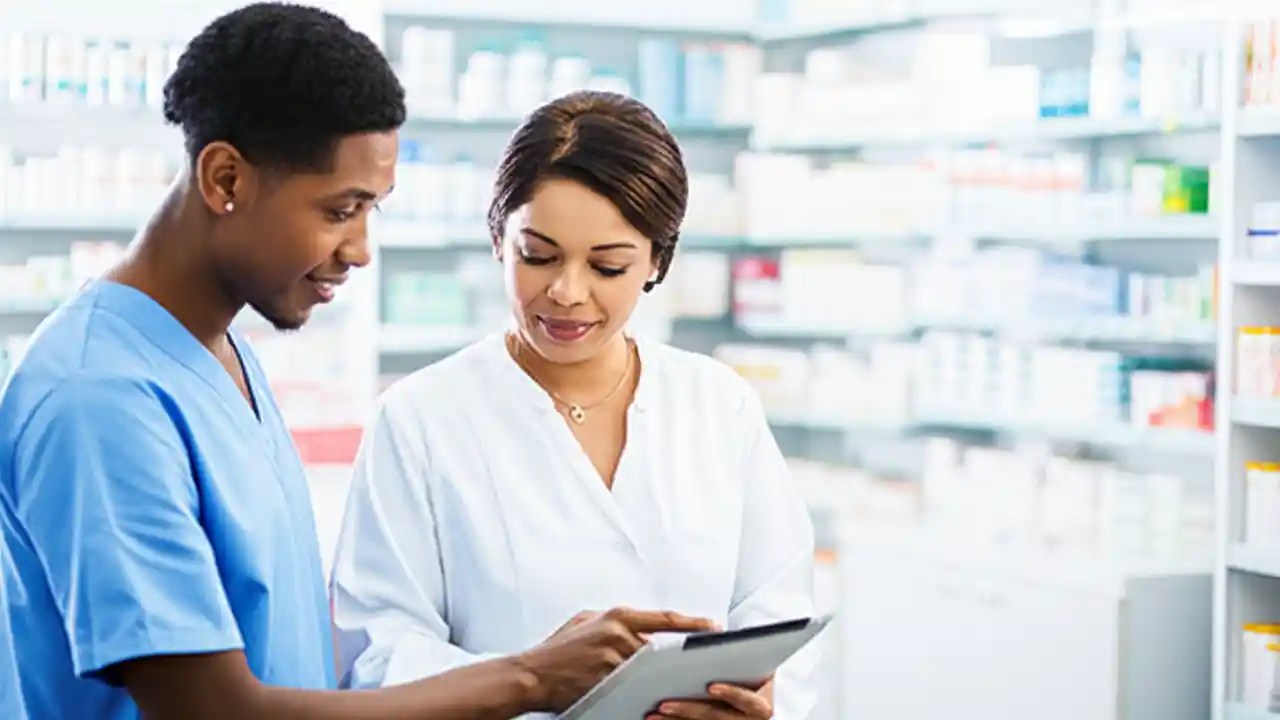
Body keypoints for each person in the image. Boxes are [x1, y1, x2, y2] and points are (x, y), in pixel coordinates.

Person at [0, 6, 714, 720]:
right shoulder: (101, 397)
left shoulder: (224, 357)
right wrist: (530, 679)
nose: (361, 248)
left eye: (374, 209)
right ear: (225, 180)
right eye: (341, 209)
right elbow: (215, 712)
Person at [329, 90, 820, 720]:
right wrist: (531, 679)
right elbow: (378, 657)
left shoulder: (717, 405)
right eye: (538, 256)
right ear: (498, 241)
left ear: (656, 263)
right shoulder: (421, 418)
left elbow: (780, 619)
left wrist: (757, 703)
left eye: (608, 267)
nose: (566, 293)